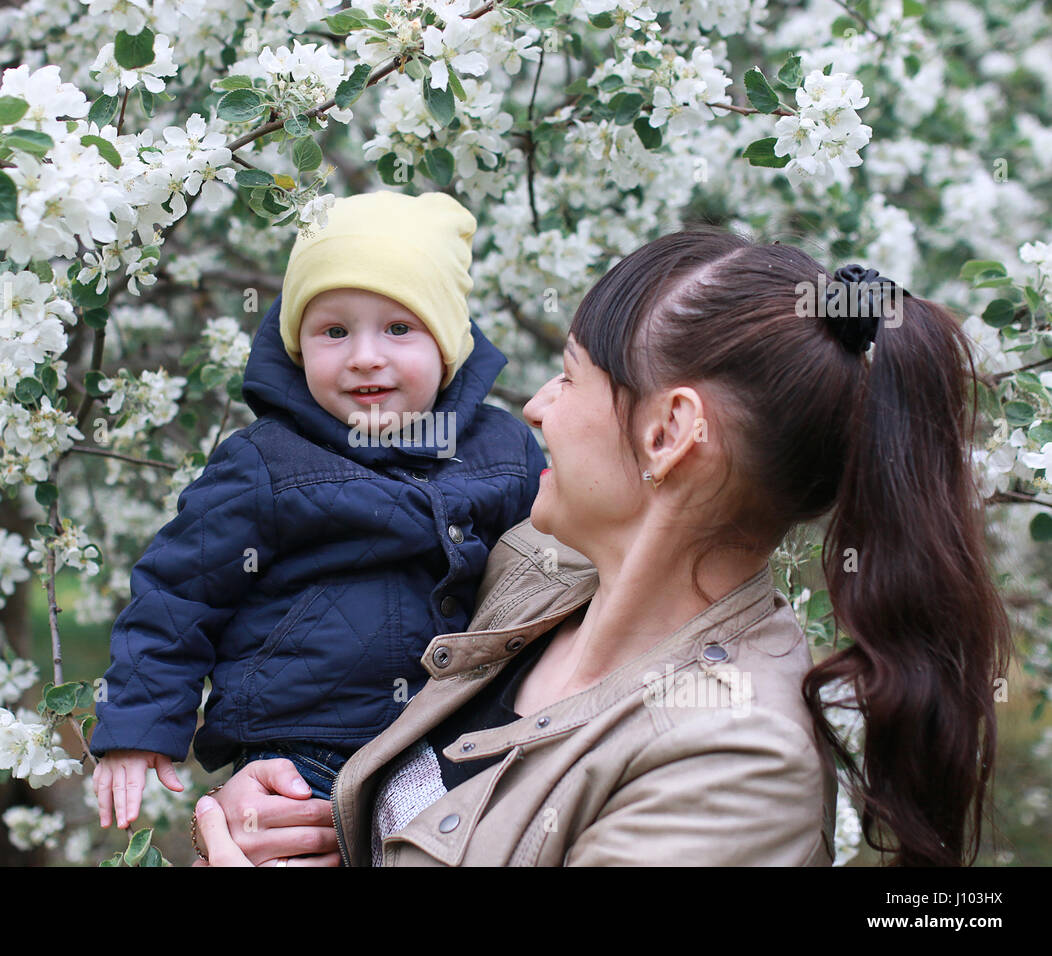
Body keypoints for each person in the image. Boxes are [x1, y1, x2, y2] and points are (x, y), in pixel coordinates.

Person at [191, 228, 1012, 866]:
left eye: (573, 374)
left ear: (667, 433)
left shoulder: (732, 765)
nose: (539, 405)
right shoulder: (525, 570)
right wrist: (280, 812)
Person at [90, 191, 548, 830]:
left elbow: (562, 557)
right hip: (306, 743)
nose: (364, 355)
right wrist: (138, 723)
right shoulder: (266, 462)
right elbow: (176, 594)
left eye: (399, 328)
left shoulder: (504, 450)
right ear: (300, 346)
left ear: (448, 347)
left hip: (460, 734)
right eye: (334, 331)